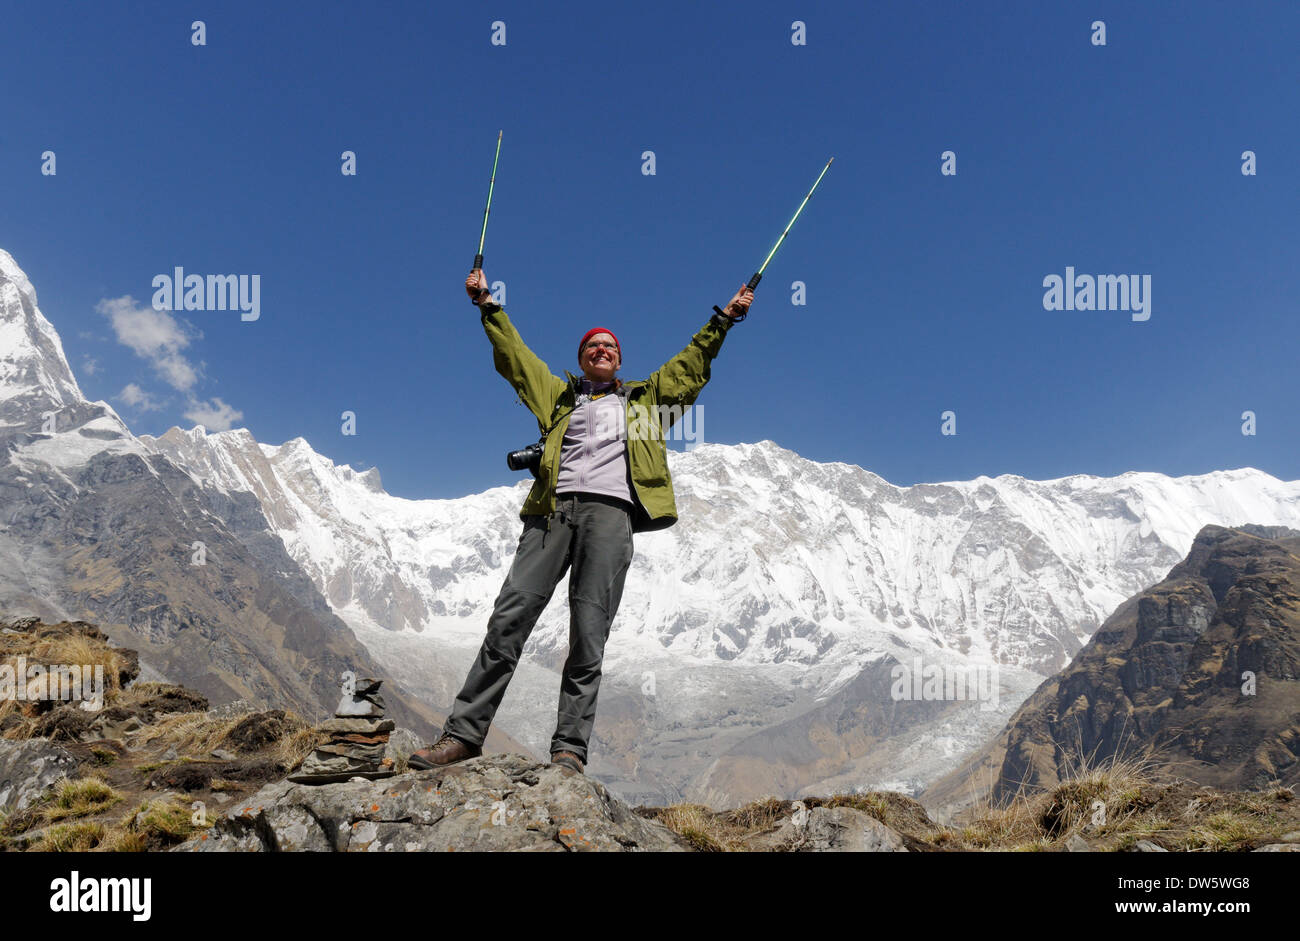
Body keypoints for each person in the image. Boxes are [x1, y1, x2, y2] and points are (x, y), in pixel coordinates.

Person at [408, 269, 753, 774]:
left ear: (620, 360)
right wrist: (487, 304)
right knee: (508, 622)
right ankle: (462, 736)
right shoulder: (559, 398)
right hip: (552, 514)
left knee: (589, 635)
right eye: (592, 346)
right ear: (580, 359)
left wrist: (722, 321)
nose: (601, 350)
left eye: (609, 347)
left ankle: (568, 751)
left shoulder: (644, 405)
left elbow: (689, 366)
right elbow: (517, 360)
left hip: (611, 517)